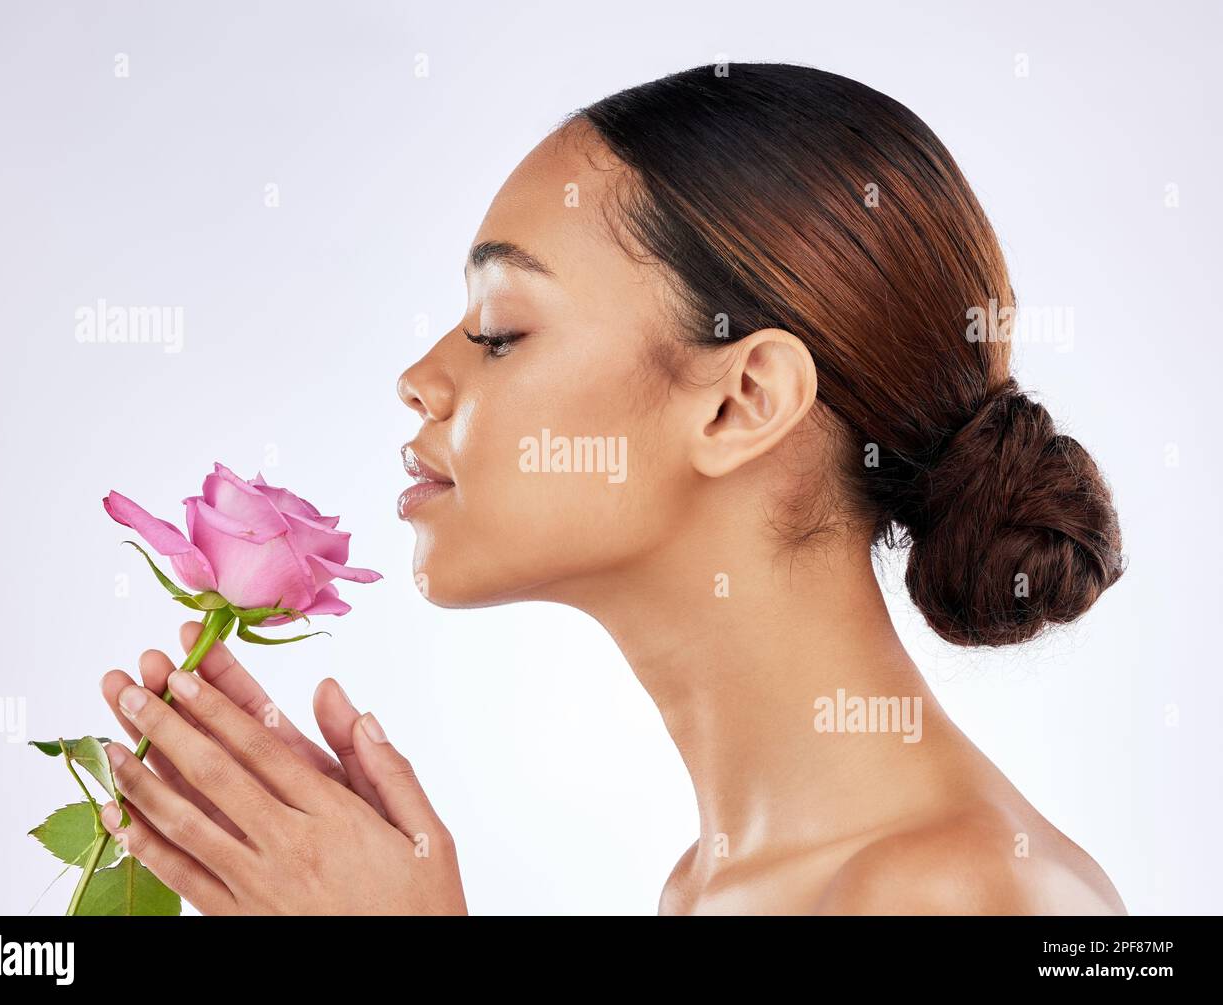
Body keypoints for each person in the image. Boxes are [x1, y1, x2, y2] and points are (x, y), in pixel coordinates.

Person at [98, 63, 1126, 915]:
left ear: (741, 401)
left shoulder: (973, 895)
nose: (420, 379)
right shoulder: (706, 888)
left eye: (499, 329)